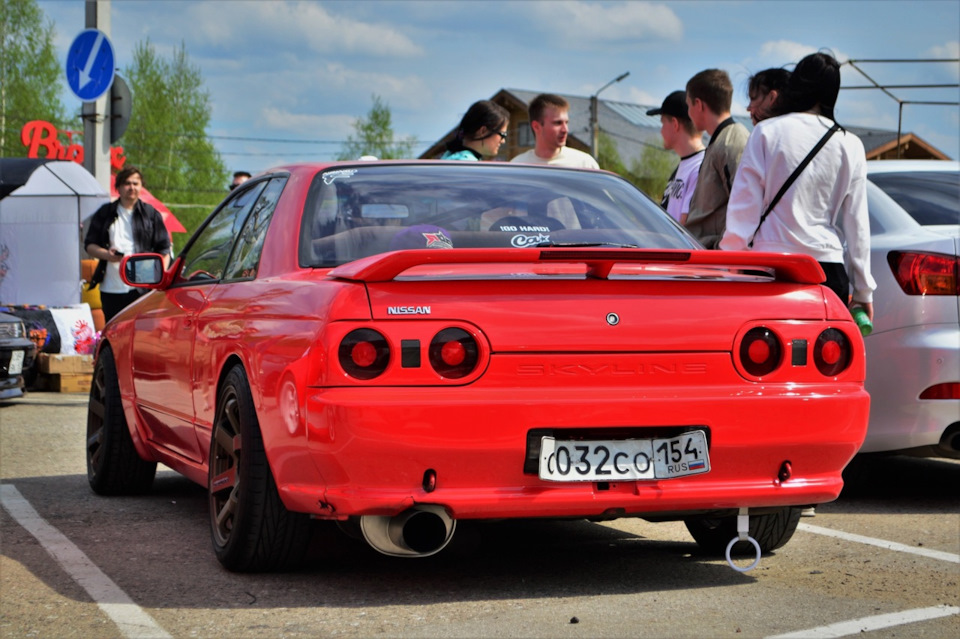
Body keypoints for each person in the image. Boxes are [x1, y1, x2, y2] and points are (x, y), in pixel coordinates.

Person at [720, 52, 875, 320]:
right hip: (827, 272)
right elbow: (857, 225)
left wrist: (729, 269)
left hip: (770, 269)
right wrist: (863, 292)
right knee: (824, 359)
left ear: (797, 85)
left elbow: (742, 210)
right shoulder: (851, 144)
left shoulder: (767, 132)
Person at [85, 167, 172, 322]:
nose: (131, 187)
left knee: (141, 331)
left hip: (142, 287)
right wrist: (107, 255)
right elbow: (89, 244)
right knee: (113, 332)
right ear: (118, 187)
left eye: (135, 183)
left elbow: (164, 248)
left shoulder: (150, 213)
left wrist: (159, 277)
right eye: (127, 183)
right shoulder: (105, 212)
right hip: (111, 286)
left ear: (141, 186)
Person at [683, 69, 751, 248]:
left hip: (716, 258)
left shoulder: (732, 141)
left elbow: (744, 206)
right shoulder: (721, 140)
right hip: (704, 251)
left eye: (688, 105)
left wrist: (722, 250)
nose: (688, 113)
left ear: (699, 104)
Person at [647, 90, 705, 225]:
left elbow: (685, 228)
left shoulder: (700, 167)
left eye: (663, 123)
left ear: (675, 124)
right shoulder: (685, 164)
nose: (661, 131)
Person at [510, 93, 599, 169]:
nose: (565, 130)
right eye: (558, 123)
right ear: (536, 126)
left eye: (566, 123)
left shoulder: (585, 164)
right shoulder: (518, 167)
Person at [441, 100, 510, 161]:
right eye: (502, 134)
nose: (503, 141)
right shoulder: (466, 164)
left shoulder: (450, 156)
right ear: (483, 131)